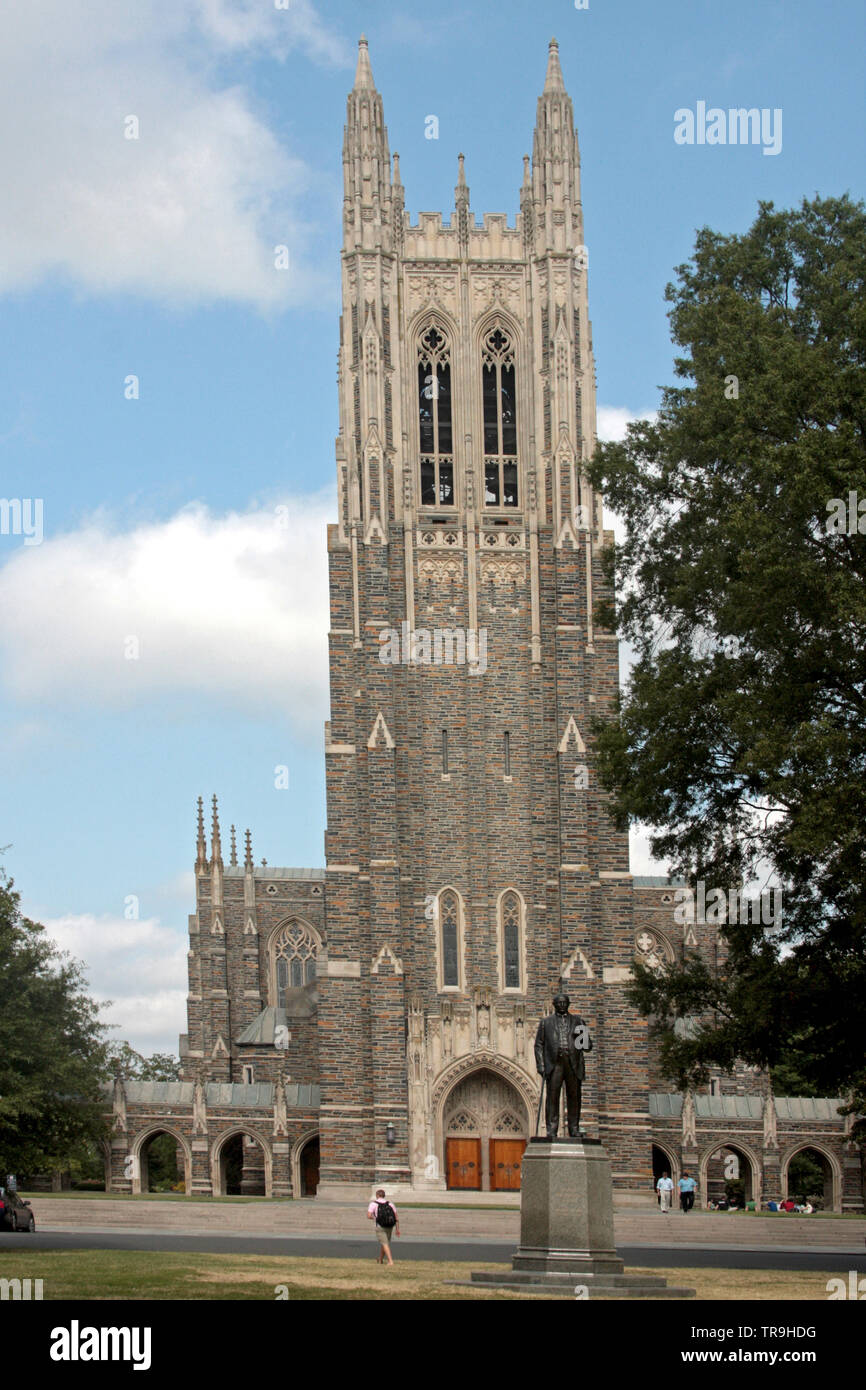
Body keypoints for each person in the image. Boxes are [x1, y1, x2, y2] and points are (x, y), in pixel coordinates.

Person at [534, 993, 592, 1138]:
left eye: (564, 1002)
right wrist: (541, 1066)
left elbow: (587, 1046)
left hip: (573, 1063)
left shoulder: (578, 1021)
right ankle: (552, 1129)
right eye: (559, 1003)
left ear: (568, 1004)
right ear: (554, 1005)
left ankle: (574, 1128)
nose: (562, 1005)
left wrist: (582, 1036)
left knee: (574, 1097)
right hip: (555, 1063)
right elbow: (539, 1045)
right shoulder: (546, 1022)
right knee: (553, 1097)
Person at [367, 1188, 400, 1265]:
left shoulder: (373, 1204)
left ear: (377, 1195)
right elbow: (396, 1218)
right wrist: (397, 1229)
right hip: (390, 1226)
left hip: (380, 1226)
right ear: (384, 1196)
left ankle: (390, 1261)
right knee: (384, 1242)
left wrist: (376, 1218)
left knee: (385, 1243)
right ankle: (380, 1259)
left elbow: (368, 1216)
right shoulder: (390, 1204)